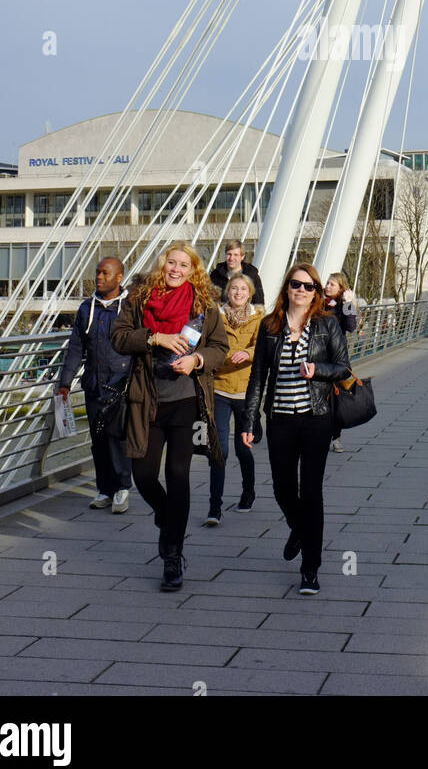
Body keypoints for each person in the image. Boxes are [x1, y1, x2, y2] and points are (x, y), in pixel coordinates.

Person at [111, 243, 228, 591]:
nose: (176, 270)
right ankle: (166, 516)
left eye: (184, 265)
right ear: (162, 265)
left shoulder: (204, 305)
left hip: (188, 401)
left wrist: (197, 360)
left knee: (178, 473)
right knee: (143, 474)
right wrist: (155, 337)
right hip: (146, 400)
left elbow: (220, 348)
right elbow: (117, 337)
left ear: (194, 271)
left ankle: (173, 555)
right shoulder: (138, 298)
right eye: (171, 263)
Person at [241, 262, 351, 595]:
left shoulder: (327, 324)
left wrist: (317, 369)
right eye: (295, 284)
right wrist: (250, 419)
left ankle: (310, 569)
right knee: (282, 487)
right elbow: (258, 375)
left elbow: (344, 368)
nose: (301, 291)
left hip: (316, 417)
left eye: (308, 286)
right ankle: (299, 528)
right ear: (286, 288)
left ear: (316, 292)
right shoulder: (269, 326)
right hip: (280, 420)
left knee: (311, 491)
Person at [56, 257, 132, 513]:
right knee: (98, 438)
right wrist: (65, 382)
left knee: (116, 436)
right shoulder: (86, 308)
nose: (99, 277)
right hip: (93, 383)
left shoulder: (131, 307)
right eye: (97, 273)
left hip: (119, 384)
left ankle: (122, 488)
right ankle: (104, 489)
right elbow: (76, 348)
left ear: (119, 277)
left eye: (105, 273)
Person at [203, 271, 263, 525]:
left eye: (243, 289)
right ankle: (214, 507)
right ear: (227, 291)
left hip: (246, 390)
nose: (238, 293)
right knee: (219, 450)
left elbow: (262, 346)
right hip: (220, 388)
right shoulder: (215, 315)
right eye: (234, 288)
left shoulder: (259, 318)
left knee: (242, 448)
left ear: (250, 294)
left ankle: (248, 492)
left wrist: (248, 354)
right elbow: (209, 343)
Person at [323, 272, 357, 453]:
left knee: (336, 399)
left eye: (332, 284)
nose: (327, 286)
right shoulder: (318, 303)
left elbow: (351, 327)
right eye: (327, 283)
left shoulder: (344, 306)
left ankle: (336, 438)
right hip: (318, 358)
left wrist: (349, 303)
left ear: (341, 289)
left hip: (337, 358)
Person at [210, 238, 265, 307]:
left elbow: (259, 302)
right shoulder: (215, 275)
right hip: (222, 315)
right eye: (229, 254)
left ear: (242, 256)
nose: (231, 258)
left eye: (235, 255)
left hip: (246, 315)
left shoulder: (252, 275)